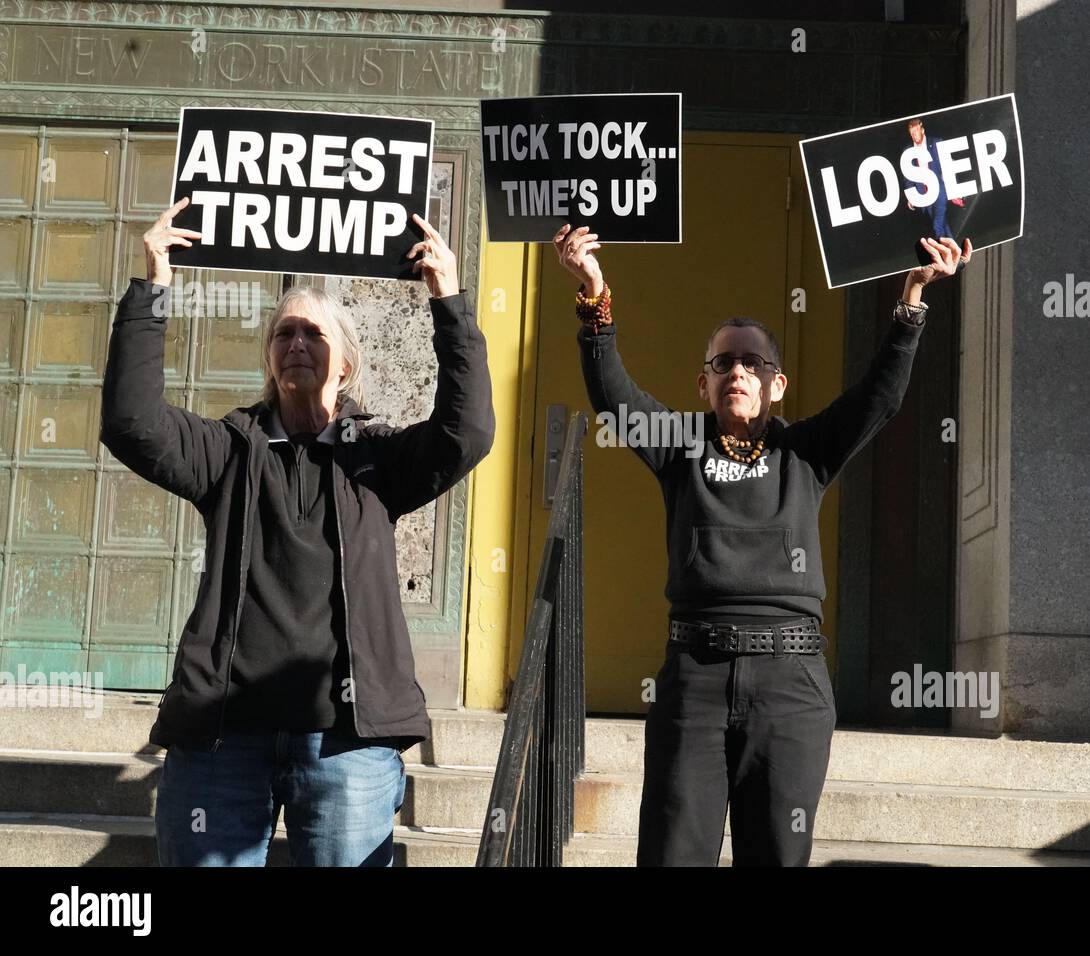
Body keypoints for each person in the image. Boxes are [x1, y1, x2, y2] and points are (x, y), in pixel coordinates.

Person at [554, 223, 971, 866]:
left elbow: (879, 398)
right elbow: (614, 396)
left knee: (776, 854)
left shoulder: (807, 451)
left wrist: (913, 298)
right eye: (724, 362)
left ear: (778, 386)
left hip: (791, 683)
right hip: (695, 678)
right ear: (704, 384)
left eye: (754, 363)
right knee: (672, 853)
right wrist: (594, 292)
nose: (739, 372)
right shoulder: (679, 447)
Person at [100, 197, 495, 866]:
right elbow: (132, 423)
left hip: (347, 744)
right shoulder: (228, 451)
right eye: (285, 334)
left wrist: (449, 303)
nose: (298, 344)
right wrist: (152, 289)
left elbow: (468, 432)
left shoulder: (378, 459)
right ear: (270, 362)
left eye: (314, 334)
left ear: (344, 364)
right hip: (224, 740)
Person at [903, 117, 966, 242]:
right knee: (942, 224)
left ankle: (944, 251)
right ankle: (955, 253)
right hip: (924, 195)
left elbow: (949, 166)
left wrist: (955, 189)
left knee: (937, 225)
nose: (914, 136)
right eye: (912, 133)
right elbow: (908, 176)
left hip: (940, 190)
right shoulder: (908, 151)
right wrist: (911, 196)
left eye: (916, 132)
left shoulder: (936, 142)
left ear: (922, 130)